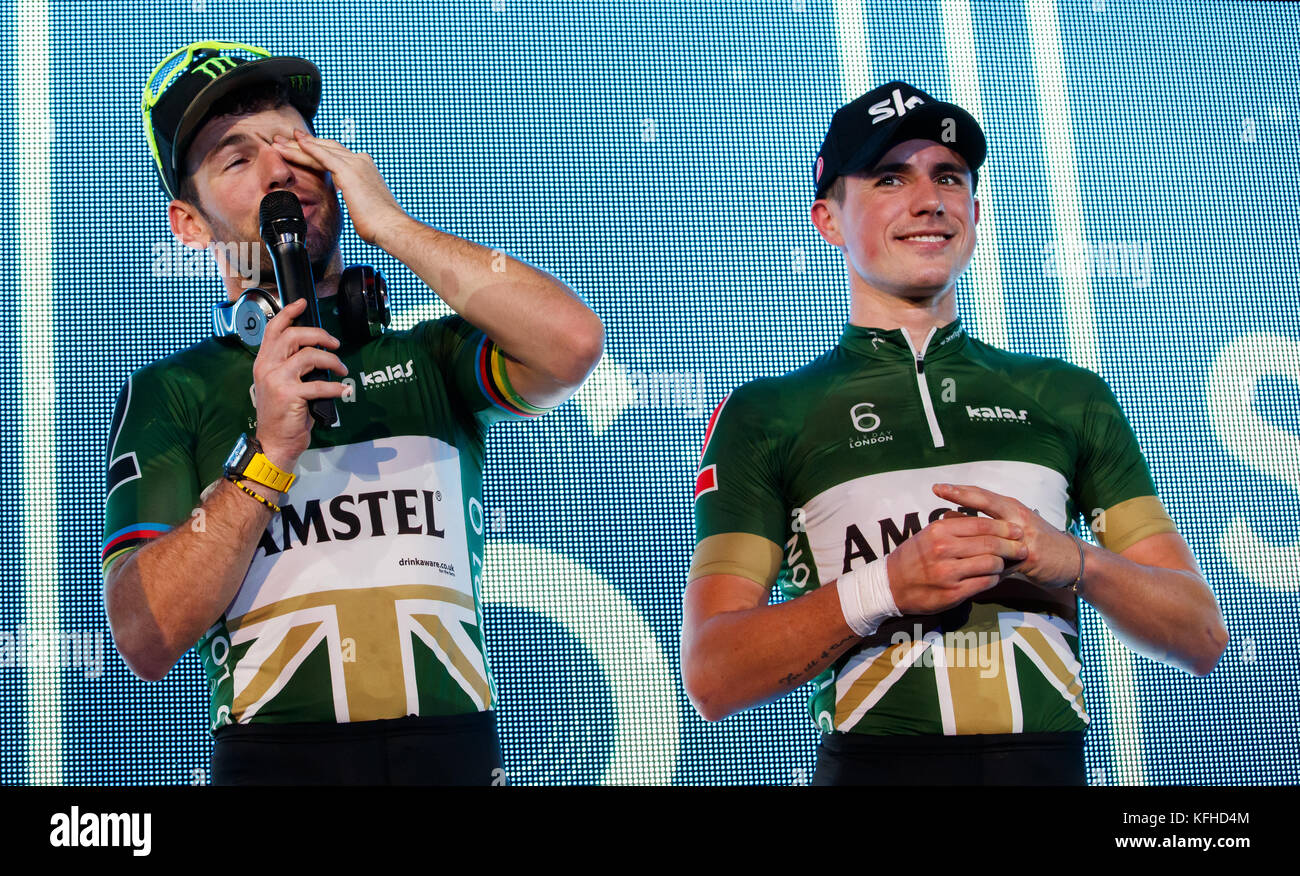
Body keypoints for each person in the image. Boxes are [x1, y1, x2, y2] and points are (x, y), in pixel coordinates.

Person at [681, 80, 1228, 785]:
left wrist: (1076, 562)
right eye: (888, 177)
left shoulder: (1067, 395)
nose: (929, 199)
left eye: (949, 177)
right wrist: (888, 585)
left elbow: (1202, 634)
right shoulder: (767, 413)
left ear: (974, 210)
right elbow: (713, 675)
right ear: (828, 219)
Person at [102, 42, 603, 785]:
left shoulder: (434, 354)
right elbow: (145, 636)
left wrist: (392, 227)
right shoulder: (177, 388)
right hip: (277, 766)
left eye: (293, 144)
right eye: (237, 161)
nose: (278, 171)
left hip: (456, 759)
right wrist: (266, 456)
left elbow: (572, 343)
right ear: (190, 224)